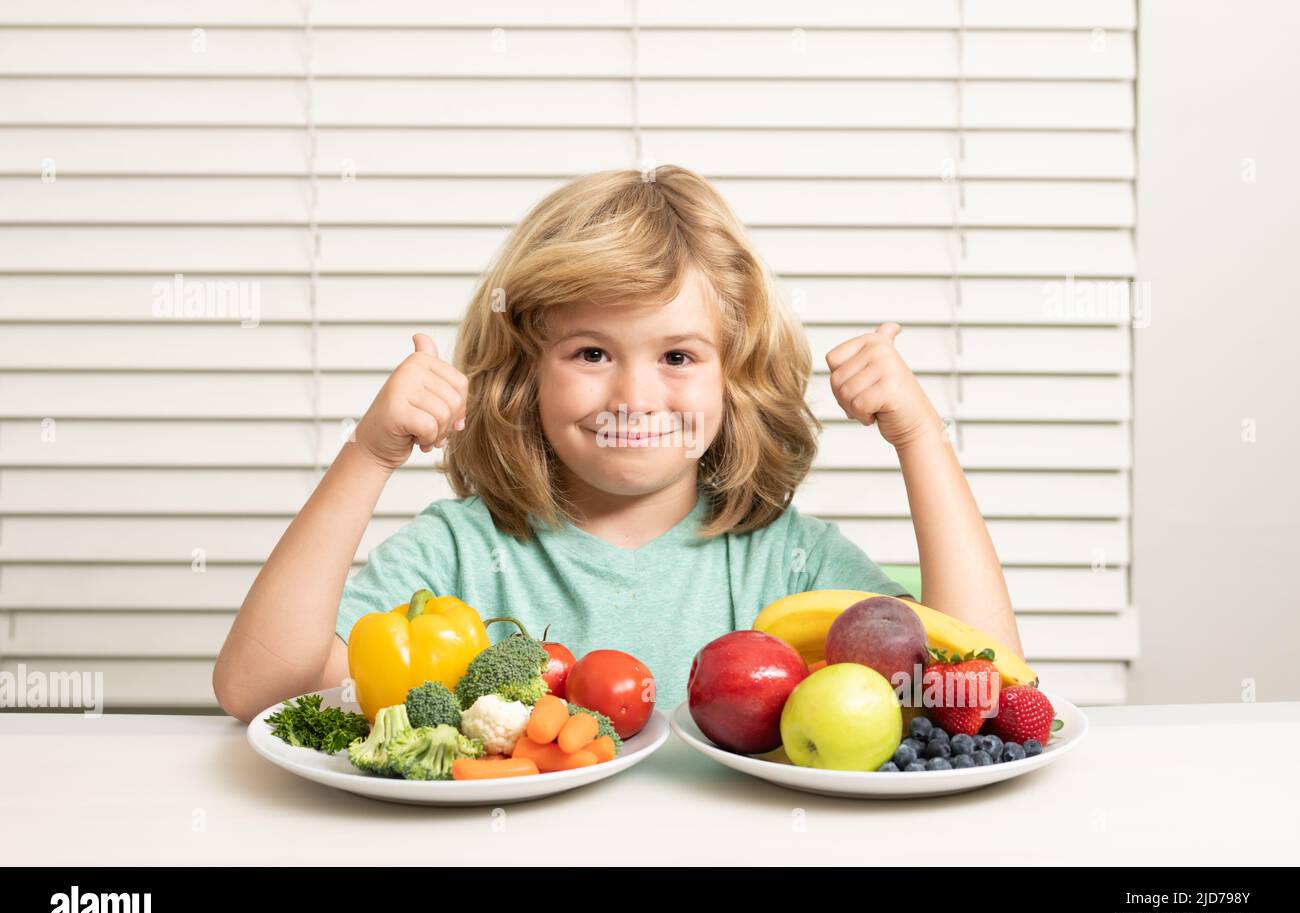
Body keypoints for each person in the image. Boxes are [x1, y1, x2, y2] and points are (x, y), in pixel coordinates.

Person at [213, 165, 1022, 723]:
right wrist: (369, 454)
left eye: (677, 356)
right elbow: (257, 688)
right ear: (525, 371)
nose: (635, 396)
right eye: (591, 353)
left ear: (733, 378)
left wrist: (921, 440)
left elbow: (982, 684)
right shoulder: (460, 554)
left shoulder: (785, 561)